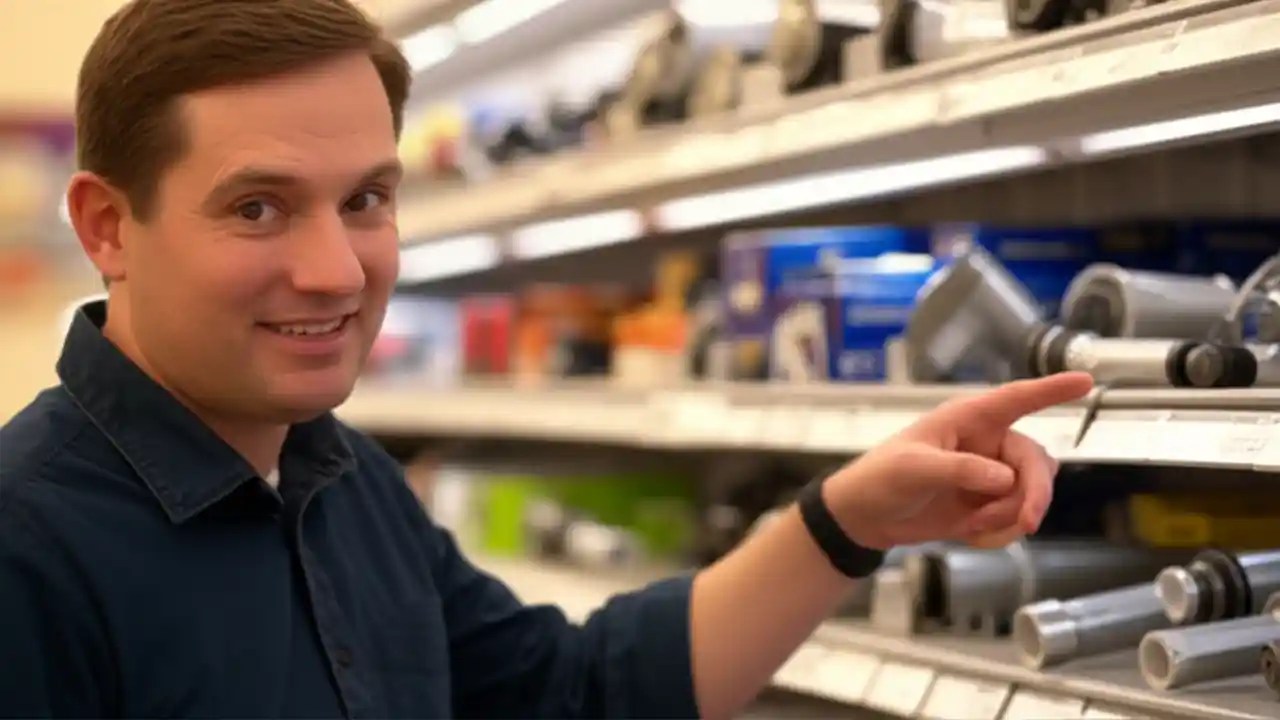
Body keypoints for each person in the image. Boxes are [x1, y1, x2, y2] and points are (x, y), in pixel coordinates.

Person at [0, 0, 1094, 717]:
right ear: (107, 227)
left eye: (367, 200)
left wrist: (851, 519)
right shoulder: (30, 551)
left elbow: (575, 696)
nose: (336, 270)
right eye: (256, 207)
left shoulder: (340, 483)